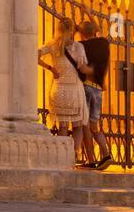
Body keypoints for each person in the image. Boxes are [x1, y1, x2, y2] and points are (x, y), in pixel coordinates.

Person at [39, 16, 90, 165]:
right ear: (72, 29)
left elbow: (35, 55)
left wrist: (50, 68)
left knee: (62, 126)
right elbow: (82, 67)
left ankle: (62, 157)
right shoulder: (78, 47)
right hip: (74, 90)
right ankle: (74, 155)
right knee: (77, 125)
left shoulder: (52, 45)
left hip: (59, 90)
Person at [75, 19, 112, 170]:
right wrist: (87, 12)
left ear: (82, 34)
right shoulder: (104, 43)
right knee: (95, 126)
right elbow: (97, 27)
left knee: (84, 125)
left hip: (84, 86)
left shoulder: (80, 46)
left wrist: (76, 28)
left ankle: (91, 159)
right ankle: (106, 154)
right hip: (98, 88)